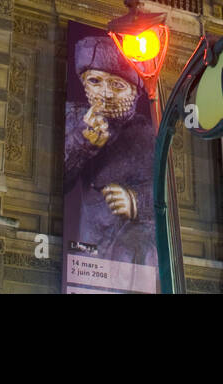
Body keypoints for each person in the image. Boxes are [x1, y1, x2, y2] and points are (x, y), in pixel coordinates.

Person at [63, 36, 157, 287]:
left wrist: (135, 201)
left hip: (136, 255)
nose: (105, 94)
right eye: (95, 81)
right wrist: (82, 143)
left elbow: (167, 196)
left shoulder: (148, 134)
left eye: (117, 85)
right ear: (83, 82)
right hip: (88, 251)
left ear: (134, 92)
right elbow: (55, 181)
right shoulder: (73, 118)